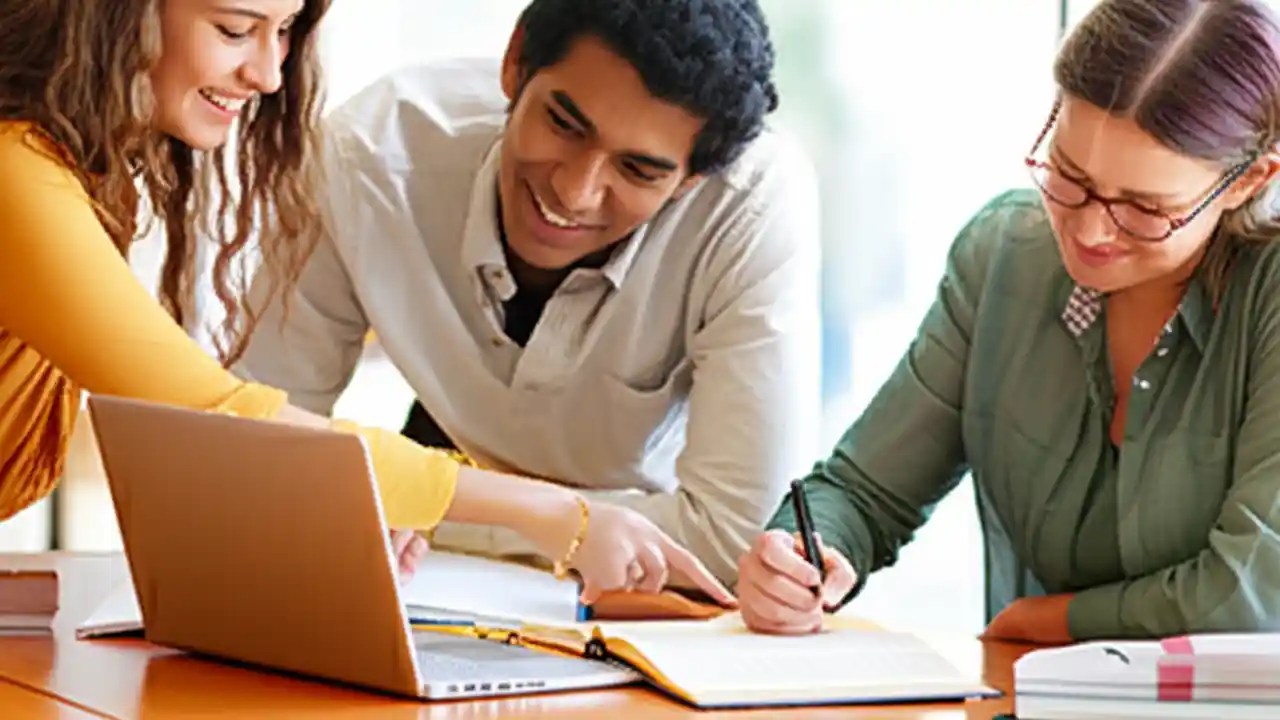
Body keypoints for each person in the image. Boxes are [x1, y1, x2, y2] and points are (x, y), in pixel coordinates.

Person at [0, 0, 735, 606]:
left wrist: (371, 504)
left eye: (284, 31)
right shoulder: (15, 174)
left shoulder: (80, 173)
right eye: (234, 30)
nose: (266, 72)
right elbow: (212, 418)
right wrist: (558, 517)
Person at [738, 0, 1280, 641]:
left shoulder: (1265, 296)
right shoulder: (1004, 260)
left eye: (1143, 208)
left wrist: (1052, 621)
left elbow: (1253, 594)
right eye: (1069, 176)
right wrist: (802, 558)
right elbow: (862, 494)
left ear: (1249, 181)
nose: (1088, 229)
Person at [239, 0, 821, 585]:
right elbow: (250, 449)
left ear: (691, 179)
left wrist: (424, 503)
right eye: (564, 125)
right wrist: (545, 520)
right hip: (445, 565)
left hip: (637, 604)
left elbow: (734, 537)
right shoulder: (365, 158)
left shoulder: (749, 206)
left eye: (638, 171)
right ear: (515, 63)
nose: (575, 191)